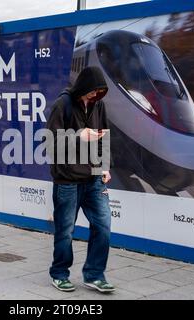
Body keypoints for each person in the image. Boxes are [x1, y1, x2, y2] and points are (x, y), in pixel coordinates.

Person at [46, 66, 115, 293]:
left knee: (103, 226)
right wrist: (79, 136)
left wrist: (105, 167)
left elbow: (104, 136)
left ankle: (94, 275)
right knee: (65, 230)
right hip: (67, 180)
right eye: (93, 91)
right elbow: (50, 145)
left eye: (100, 92)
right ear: (83, 87)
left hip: (94, 178)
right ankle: (59, 273)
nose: (95, 96)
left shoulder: (99, 105)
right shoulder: (62, 105)